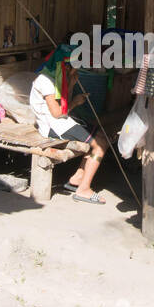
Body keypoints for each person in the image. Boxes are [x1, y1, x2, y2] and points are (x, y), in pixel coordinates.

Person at [30, 47, 109, 204]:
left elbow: (63, 103)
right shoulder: (45, 81)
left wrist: (71, 83)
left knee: (101, 136)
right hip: (53, 126)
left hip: (62, 122)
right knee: (100, 146)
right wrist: (75, 103)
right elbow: (57, 113)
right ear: (61, 64)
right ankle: (84, 189)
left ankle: (77, 178)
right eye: (69, 65)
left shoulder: (56, 78)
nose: (71, 68)